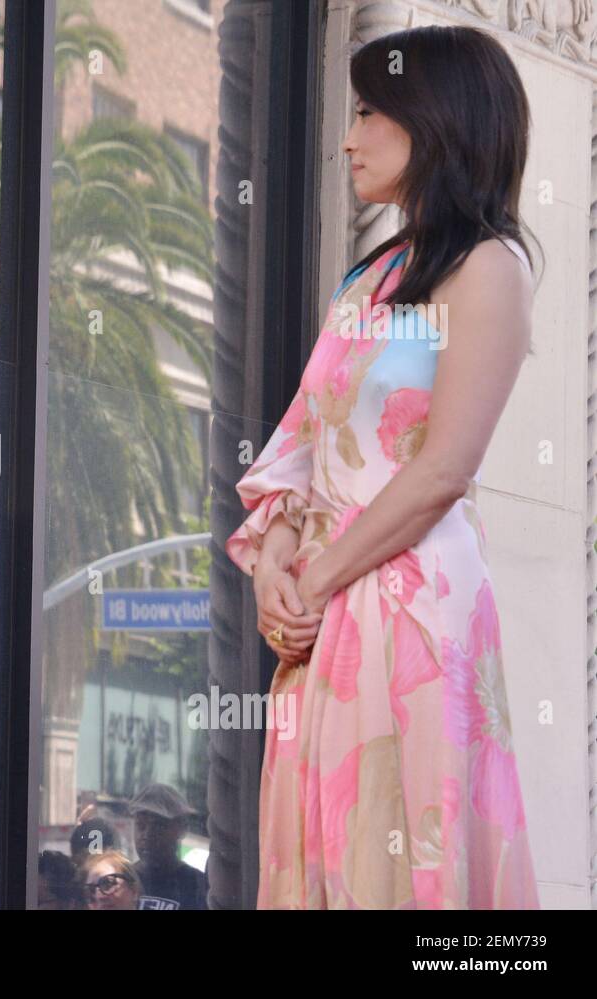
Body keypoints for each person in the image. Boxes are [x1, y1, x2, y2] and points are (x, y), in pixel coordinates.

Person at [225, 25, 540, 908]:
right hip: (322, 624)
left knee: (404, 864)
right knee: (324, 861)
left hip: (411, 614)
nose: (347, 136)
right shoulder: (367, 279)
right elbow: (302, 439)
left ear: (434, 120)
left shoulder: (489, 268)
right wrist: (275, 570)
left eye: (369, 112)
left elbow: (445, 469)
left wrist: (315, 577)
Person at [128, 784, 208, 910]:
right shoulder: (122, 881)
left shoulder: (197, 884)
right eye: (140, 825)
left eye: (159, 826)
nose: (147, 835)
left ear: (181, 829)